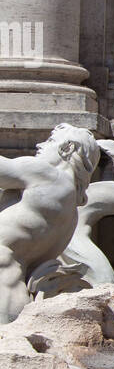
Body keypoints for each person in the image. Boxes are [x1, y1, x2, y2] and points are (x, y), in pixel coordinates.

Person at [0, 125, 99, 323]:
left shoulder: (46, 174)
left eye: (51, 140)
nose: (40, 144)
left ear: (68, 147)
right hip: (14, 296)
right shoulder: (71, 215)